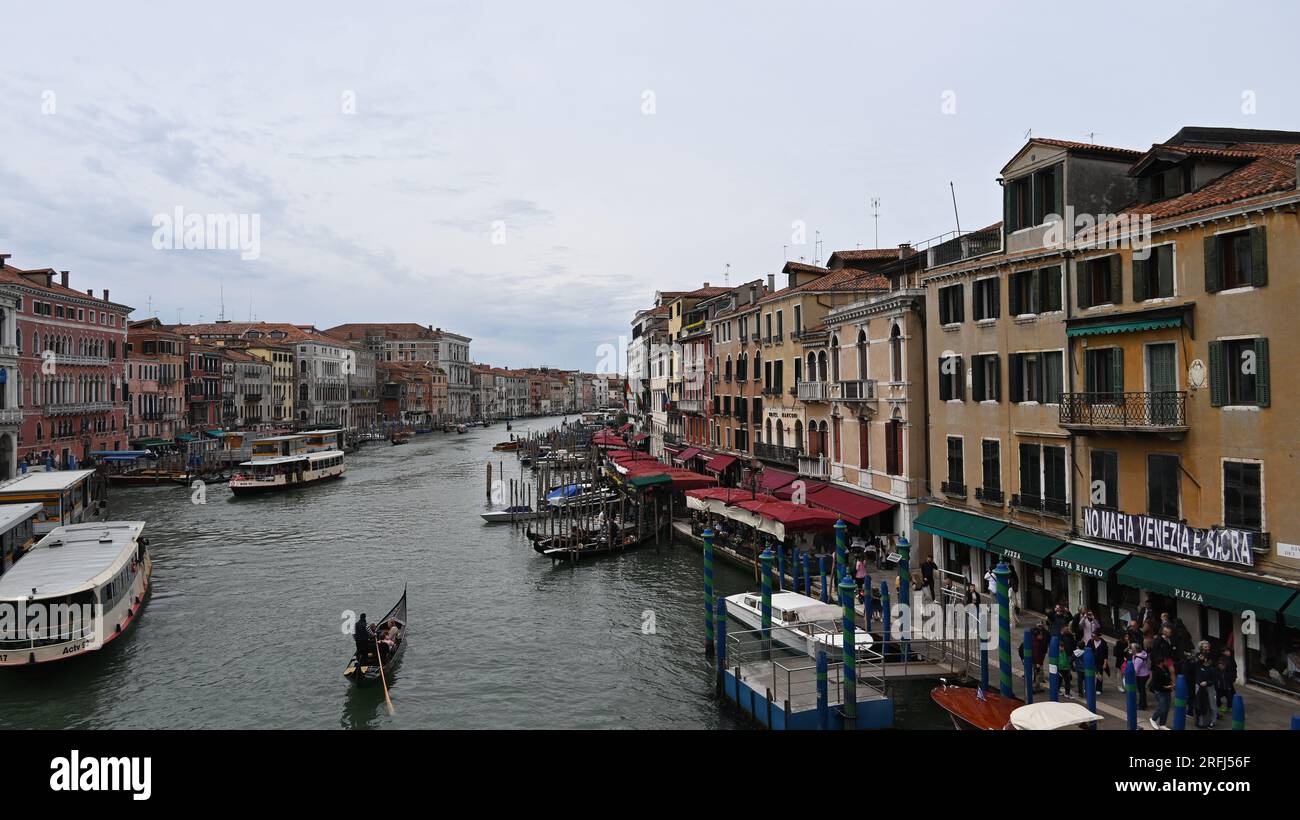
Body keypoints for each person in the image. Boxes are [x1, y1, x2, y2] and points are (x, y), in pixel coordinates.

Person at [1149, 659, 1174, 729]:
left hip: (1167, 691)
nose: (1167, 663)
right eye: (1166, 661)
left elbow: (1168, 678)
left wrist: (1171, 683)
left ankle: (1162, 723)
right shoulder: (1156, 671)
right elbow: (1157, 685)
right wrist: (1167, 686)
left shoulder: (1165, 669)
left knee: (1166, 708)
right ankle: (1153, 719)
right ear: (1161, 662)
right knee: (1162, 708)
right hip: (1160, 692)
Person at [1195, 653, 1216, 728]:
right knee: (1199, 704)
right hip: (1199, 687)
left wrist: (1207, 682)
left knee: (1212, 704)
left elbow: (1214, 680)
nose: (1200, 658)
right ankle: (1200, 721)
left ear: (1206, 659)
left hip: (1209, 688)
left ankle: (1213, 721)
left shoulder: (1212, 669)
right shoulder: (1198, 665)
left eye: (1202, 656)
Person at [1215, 648, 1237, 719]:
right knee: (1219, 694)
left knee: (1230, 694)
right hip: (1222, 681)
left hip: (1228, 680)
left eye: (1229, 651)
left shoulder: (1231, 659)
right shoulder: (1222, 659)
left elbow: (1234, 668)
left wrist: (1234, 677)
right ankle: (1219, 706)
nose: (1229, 652)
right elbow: (1219, 669)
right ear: (1223, 652)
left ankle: (1230, 706)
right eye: (1227, 651)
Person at [1131, 642, 1151, 710]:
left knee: (1141, 691)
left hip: (1141, 676)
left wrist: (1132, 677)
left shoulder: (1138, 659)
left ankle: (1142, 705)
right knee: (1142, 690)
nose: (1131, 649)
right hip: (1145, 674)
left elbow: (1136, 670)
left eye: (1132, 648)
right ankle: (1143, 704)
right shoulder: (1142, 653)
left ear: (1135, 650)